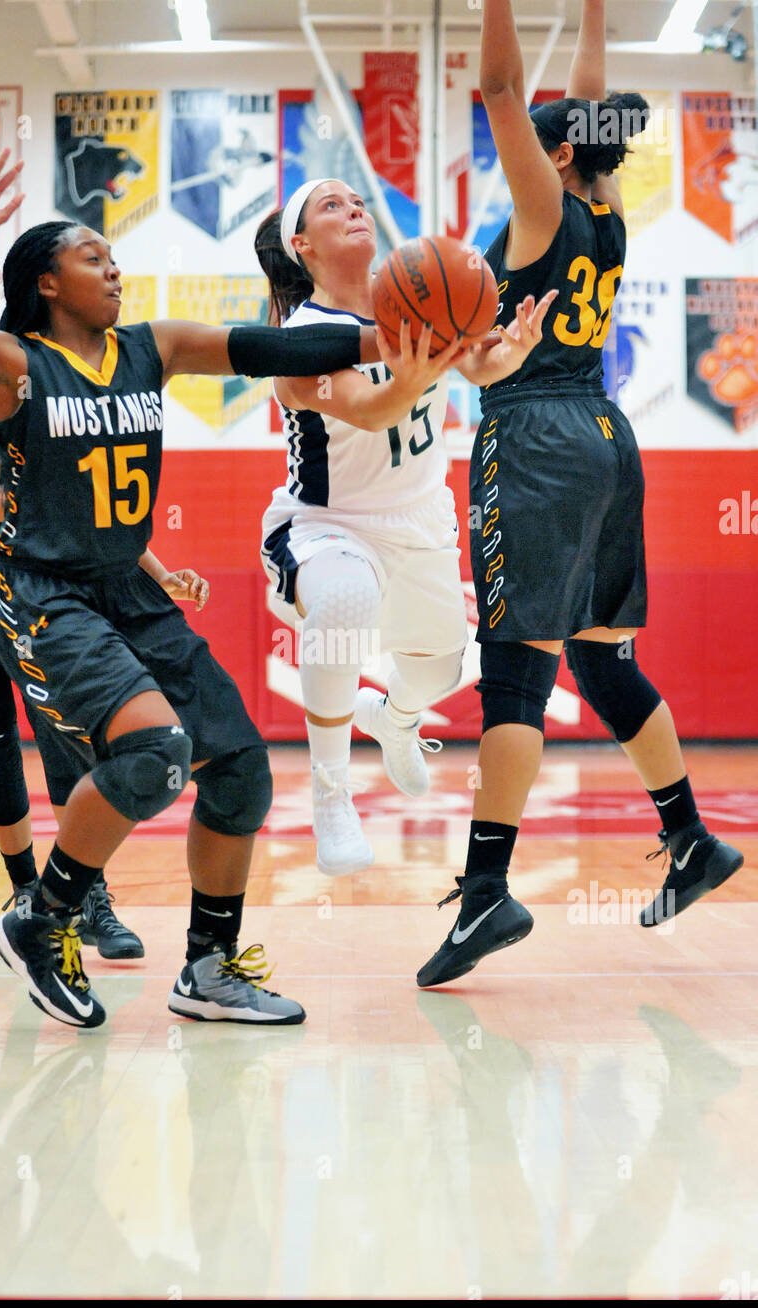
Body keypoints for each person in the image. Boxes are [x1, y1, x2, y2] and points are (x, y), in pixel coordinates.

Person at [0, 140, 388, 1028]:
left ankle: (206, 969)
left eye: (116, 258)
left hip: (128, 589)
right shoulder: (10, 363)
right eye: (93, 258)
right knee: (154, 756)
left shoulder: (151, 347)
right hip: (43, 594)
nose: (114, 270)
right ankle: (45, 920)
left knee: (239, 771)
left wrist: (403, 334)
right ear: (46, 282)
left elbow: (276, 341)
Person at [418, 0, 743, 988]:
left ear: (552, 156)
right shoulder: (603, 216)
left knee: (515, 672)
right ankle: (688, 837)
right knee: (602, 663)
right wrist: (594, 9)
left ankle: (485, 892)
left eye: (542, 134)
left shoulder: (546, 206)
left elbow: (502, 89)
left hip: (533, 436)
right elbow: (581, 106)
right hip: (605, 435)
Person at [255, 179, 557, 875]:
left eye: (356, 200)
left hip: (421, 524)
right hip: (326, 522)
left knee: (443, 667)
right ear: (300, 246)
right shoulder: (295, 342)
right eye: (331, 206)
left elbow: (483, 366)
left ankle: (393, 720)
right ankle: (331, 793)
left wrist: (509, 349)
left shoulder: (418, 293)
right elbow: (371, 409)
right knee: (342, 602)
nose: (354, 208)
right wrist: (422, 365)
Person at [0, 394, 210, 959]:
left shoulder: (90, 403)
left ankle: (83, 894)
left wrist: (160, 575)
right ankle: (26, 890)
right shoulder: (6, 379)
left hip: (29, 558)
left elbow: (97, 516)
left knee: (62, 721)